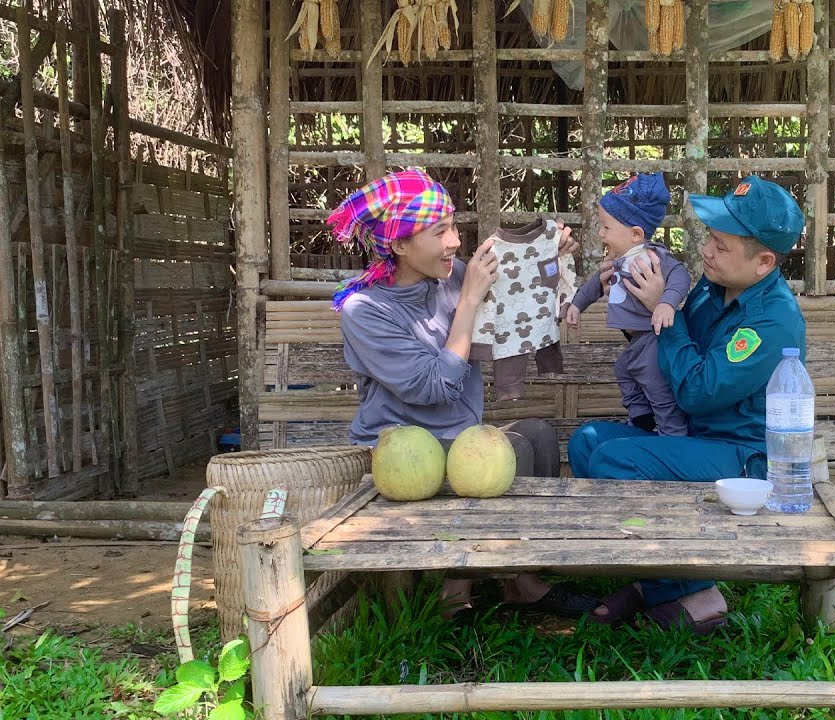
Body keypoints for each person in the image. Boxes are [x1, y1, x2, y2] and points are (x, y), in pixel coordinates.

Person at [331, 168, 597, 620]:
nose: (455, 242)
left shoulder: (449, 278)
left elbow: (521, 296)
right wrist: (469, 301)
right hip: (403, 449)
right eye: (441, 232)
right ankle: (456, 595)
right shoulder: (364, 311)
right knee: (511, 448)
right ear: (398, 244)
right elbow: (433, 388)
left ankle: (520, 578)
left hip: (457, 437)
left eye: (454, 227)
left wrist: (550, 255)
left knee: (539, 434)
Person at [567, 175, 808, 633]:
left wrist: (667, 314)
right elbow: (656, 349)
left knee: (615, 460)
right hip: (693, 438)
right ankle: (661, 580)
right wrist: (627, 293)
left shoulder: (772, 321)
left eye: (721, 244)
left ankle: (678, 590)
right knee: (586, 443)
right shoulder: (709, 289)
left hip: (741, 456)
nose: (708, 250)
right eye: (710, 238)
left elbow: (696, 390)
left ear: (763, 262)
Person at [566, 172, 692, 435]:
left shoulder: (653, 257)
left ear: (636, 234)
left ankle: (673, 434)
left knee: (659, 390)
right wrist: (577, 304)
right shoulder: (618, 261)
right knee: (623, 368)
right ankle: (641, 416)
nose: (600, 234)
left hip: (653, 341)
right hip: (636, 342)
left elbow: (680, 276)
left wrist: (666, 303)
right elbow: (595, 285)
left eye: (606, 227)